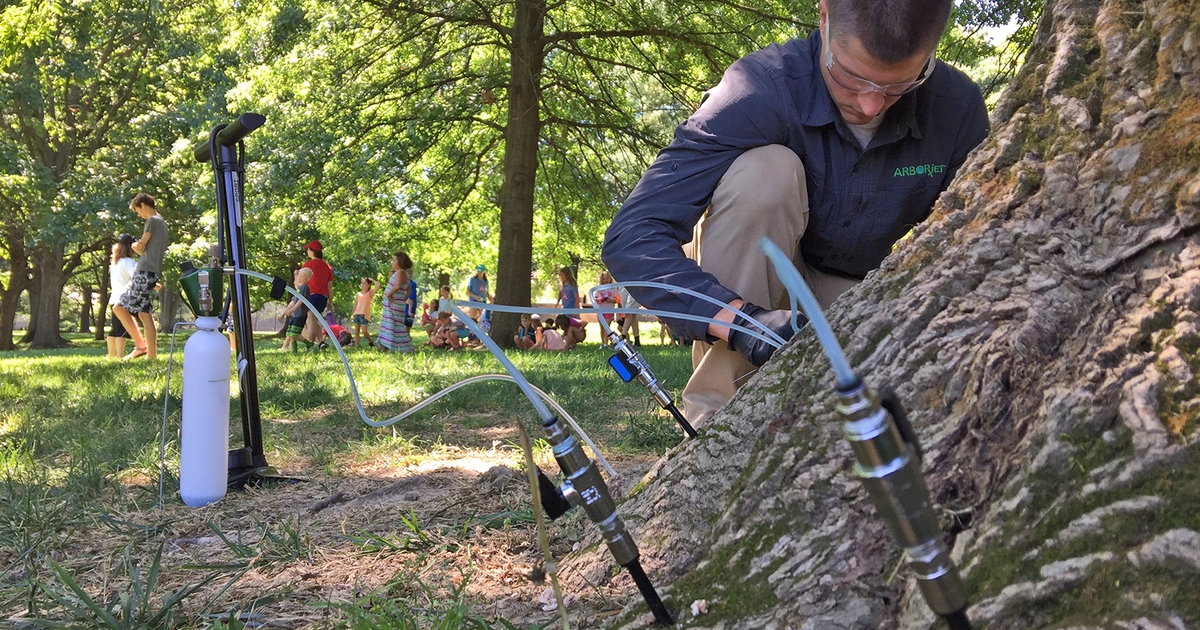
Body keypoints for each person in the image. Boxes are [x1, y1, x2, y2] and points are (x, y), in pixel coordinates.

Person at [601, 0, 989, 426]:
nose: (871, 105)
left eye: (900, 86)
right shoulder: (759, 89)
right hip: (762, 292)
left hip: (878, 297)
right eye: (852, 77)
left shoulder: (959, 108)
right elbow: (634, 235)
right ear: (823, 16)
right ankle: (718, 419)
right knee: (763, 174)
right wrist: (743, 323)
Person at [113, 193, 169, 360]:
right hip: (149, 271)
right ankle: (146, 350)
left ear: (143, 205)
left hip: (144, 270)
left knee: (128, 309)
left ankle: (144, 348)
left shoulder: (152, 221)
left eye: (138, 211)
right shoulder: (162, 223)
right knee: (135, 311)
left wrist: (134, 245)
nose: (139, 215)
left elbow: (141, 246)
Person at [106, 233, 137, 359]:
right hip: (125, 300)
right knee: (123, 329)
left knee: (114, 328)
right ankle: (119, 357)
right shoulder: (129, 262)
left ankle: (110, 355)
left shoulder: (115, 263)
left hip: (114, 299)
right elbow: (136, 278)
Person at [378, 251, 415, 353]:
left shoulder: (400, 272)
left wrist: (389, 295)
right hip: (395, 302)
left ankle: (396, 346)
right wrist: (402, 298)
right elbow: (408, 290)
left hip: (393, 303)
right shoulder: (404, 274)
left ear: (400, 262)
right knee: (390, 323)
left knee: (392, 323)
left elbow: (398, 286)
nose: (392, 262)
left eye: (394, 260)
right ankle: (386, 345)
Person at [301, 240, 334, 347]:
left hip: (310, 296)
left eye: (308, 249)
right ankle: (321, 343)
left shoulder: (307, 265)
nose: (307, 252)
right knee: (315, 319)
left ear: (312, 251)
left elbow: (301, 282)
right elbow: (329, 286)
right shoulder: (327, 267)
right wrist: (330, 302)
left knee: (310, 320)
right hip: (322, 298)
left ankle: (309, 346)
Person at [279, 268, 313, 351]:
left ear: (307, 278)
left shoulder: (304, 287)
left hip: (300, 314)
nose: (299, 277)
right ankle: (294, 351)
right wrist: (283, 313)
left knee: (294, 334)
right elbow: (293, 301)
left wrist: (292, 310)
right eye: (299, 275)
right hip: (295, 315)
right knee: (290, 334)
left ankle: (309, 344)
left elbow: (301, 300)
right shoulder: (299, 289)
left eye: (302, 276)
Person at [592, 270, 619, 346]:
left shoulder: (613, 288)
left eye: (607, 278)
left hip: (609, 310)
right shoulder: (599, 288)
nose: (606, 280)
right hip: (600, 310)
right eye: (604, 279)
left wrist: (611, 300)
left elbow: (617, 299)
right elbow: (595, 297)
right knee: (602, 328)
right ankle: (602, 343)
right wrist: (598, 300)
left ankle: (606, 344)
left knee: (606, 327)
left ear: (610, 278)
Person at [352, 278, 378, 348]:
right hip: (357, 314)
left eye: (364, 283)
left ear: (369, 285)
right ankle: (356, 346)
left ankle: (370, 340)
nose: (362, 285)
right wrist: (353, 313)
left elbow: (378, 286)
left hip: (364, 315)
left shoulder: (370, 293)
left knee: (364, 331)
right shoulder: (358, 294)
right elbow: (356, 304)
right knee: (356, 331)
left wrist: (372, 280)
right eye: (361, 283)